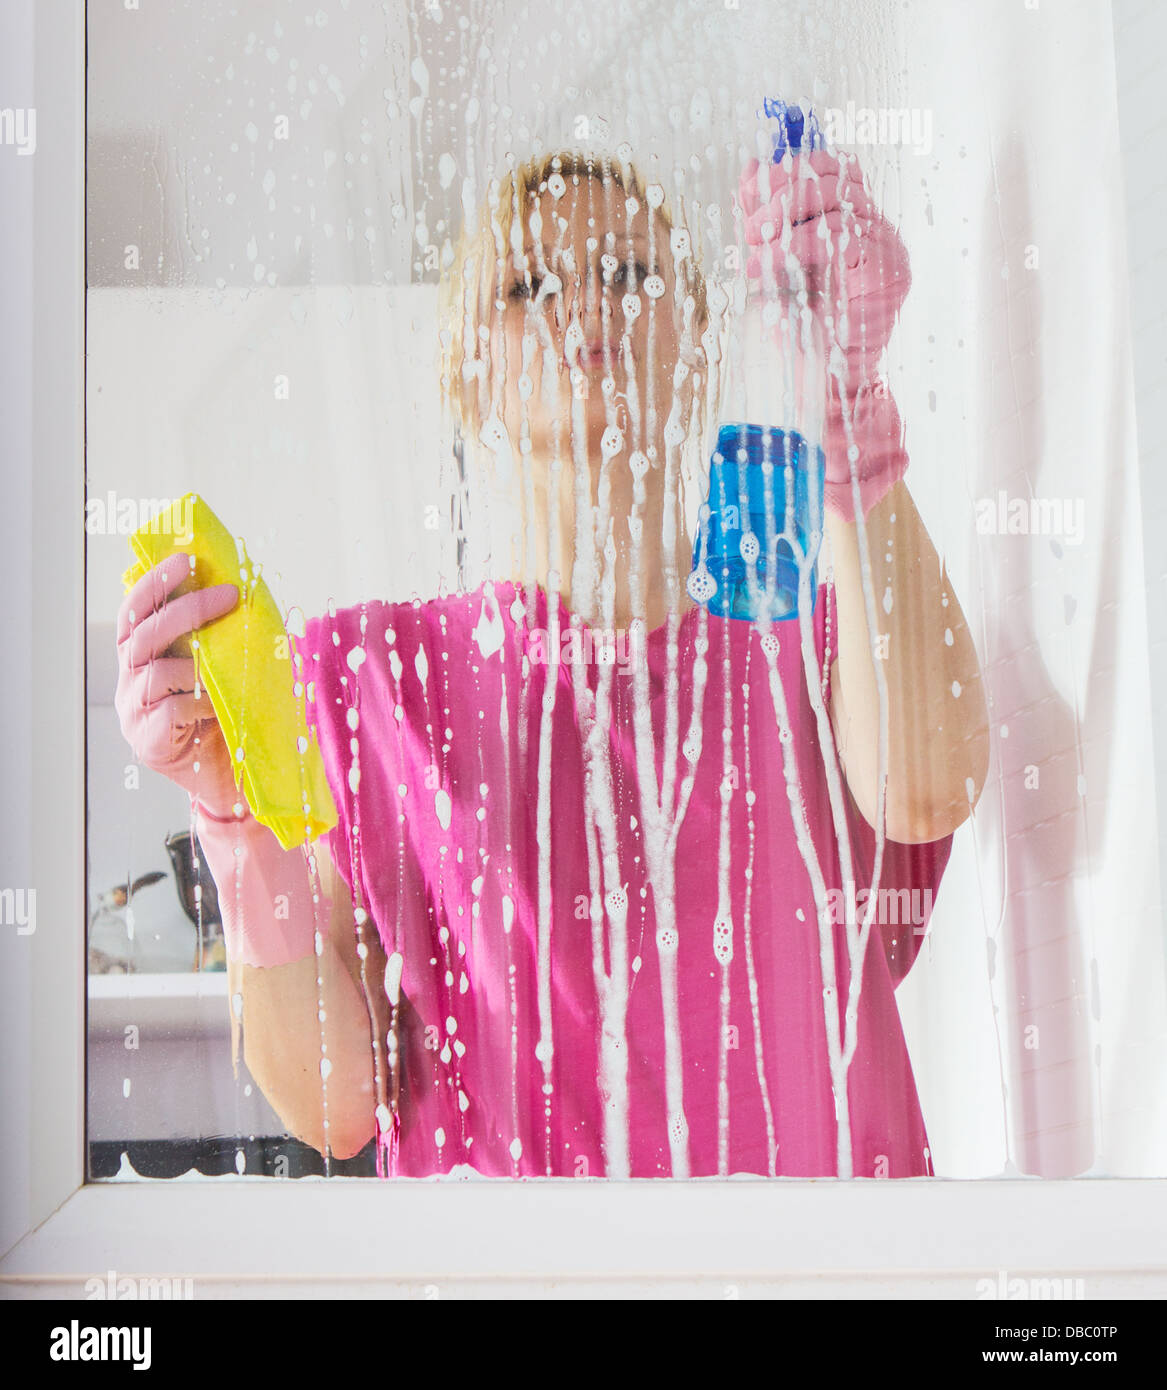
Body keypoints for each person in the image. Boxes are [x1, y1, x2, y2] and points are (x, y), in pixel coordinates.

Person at [115, 145, 989, 1179]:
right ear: (464, 373)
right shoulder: (365, 678)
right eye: (529, 283)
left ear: (699, 345)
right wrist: (234, 823)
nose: (589, 302)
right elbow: (335, 1102)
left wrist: (846, 404)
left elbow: (931, 788)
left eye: (630, 273)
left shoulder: (817, 638)